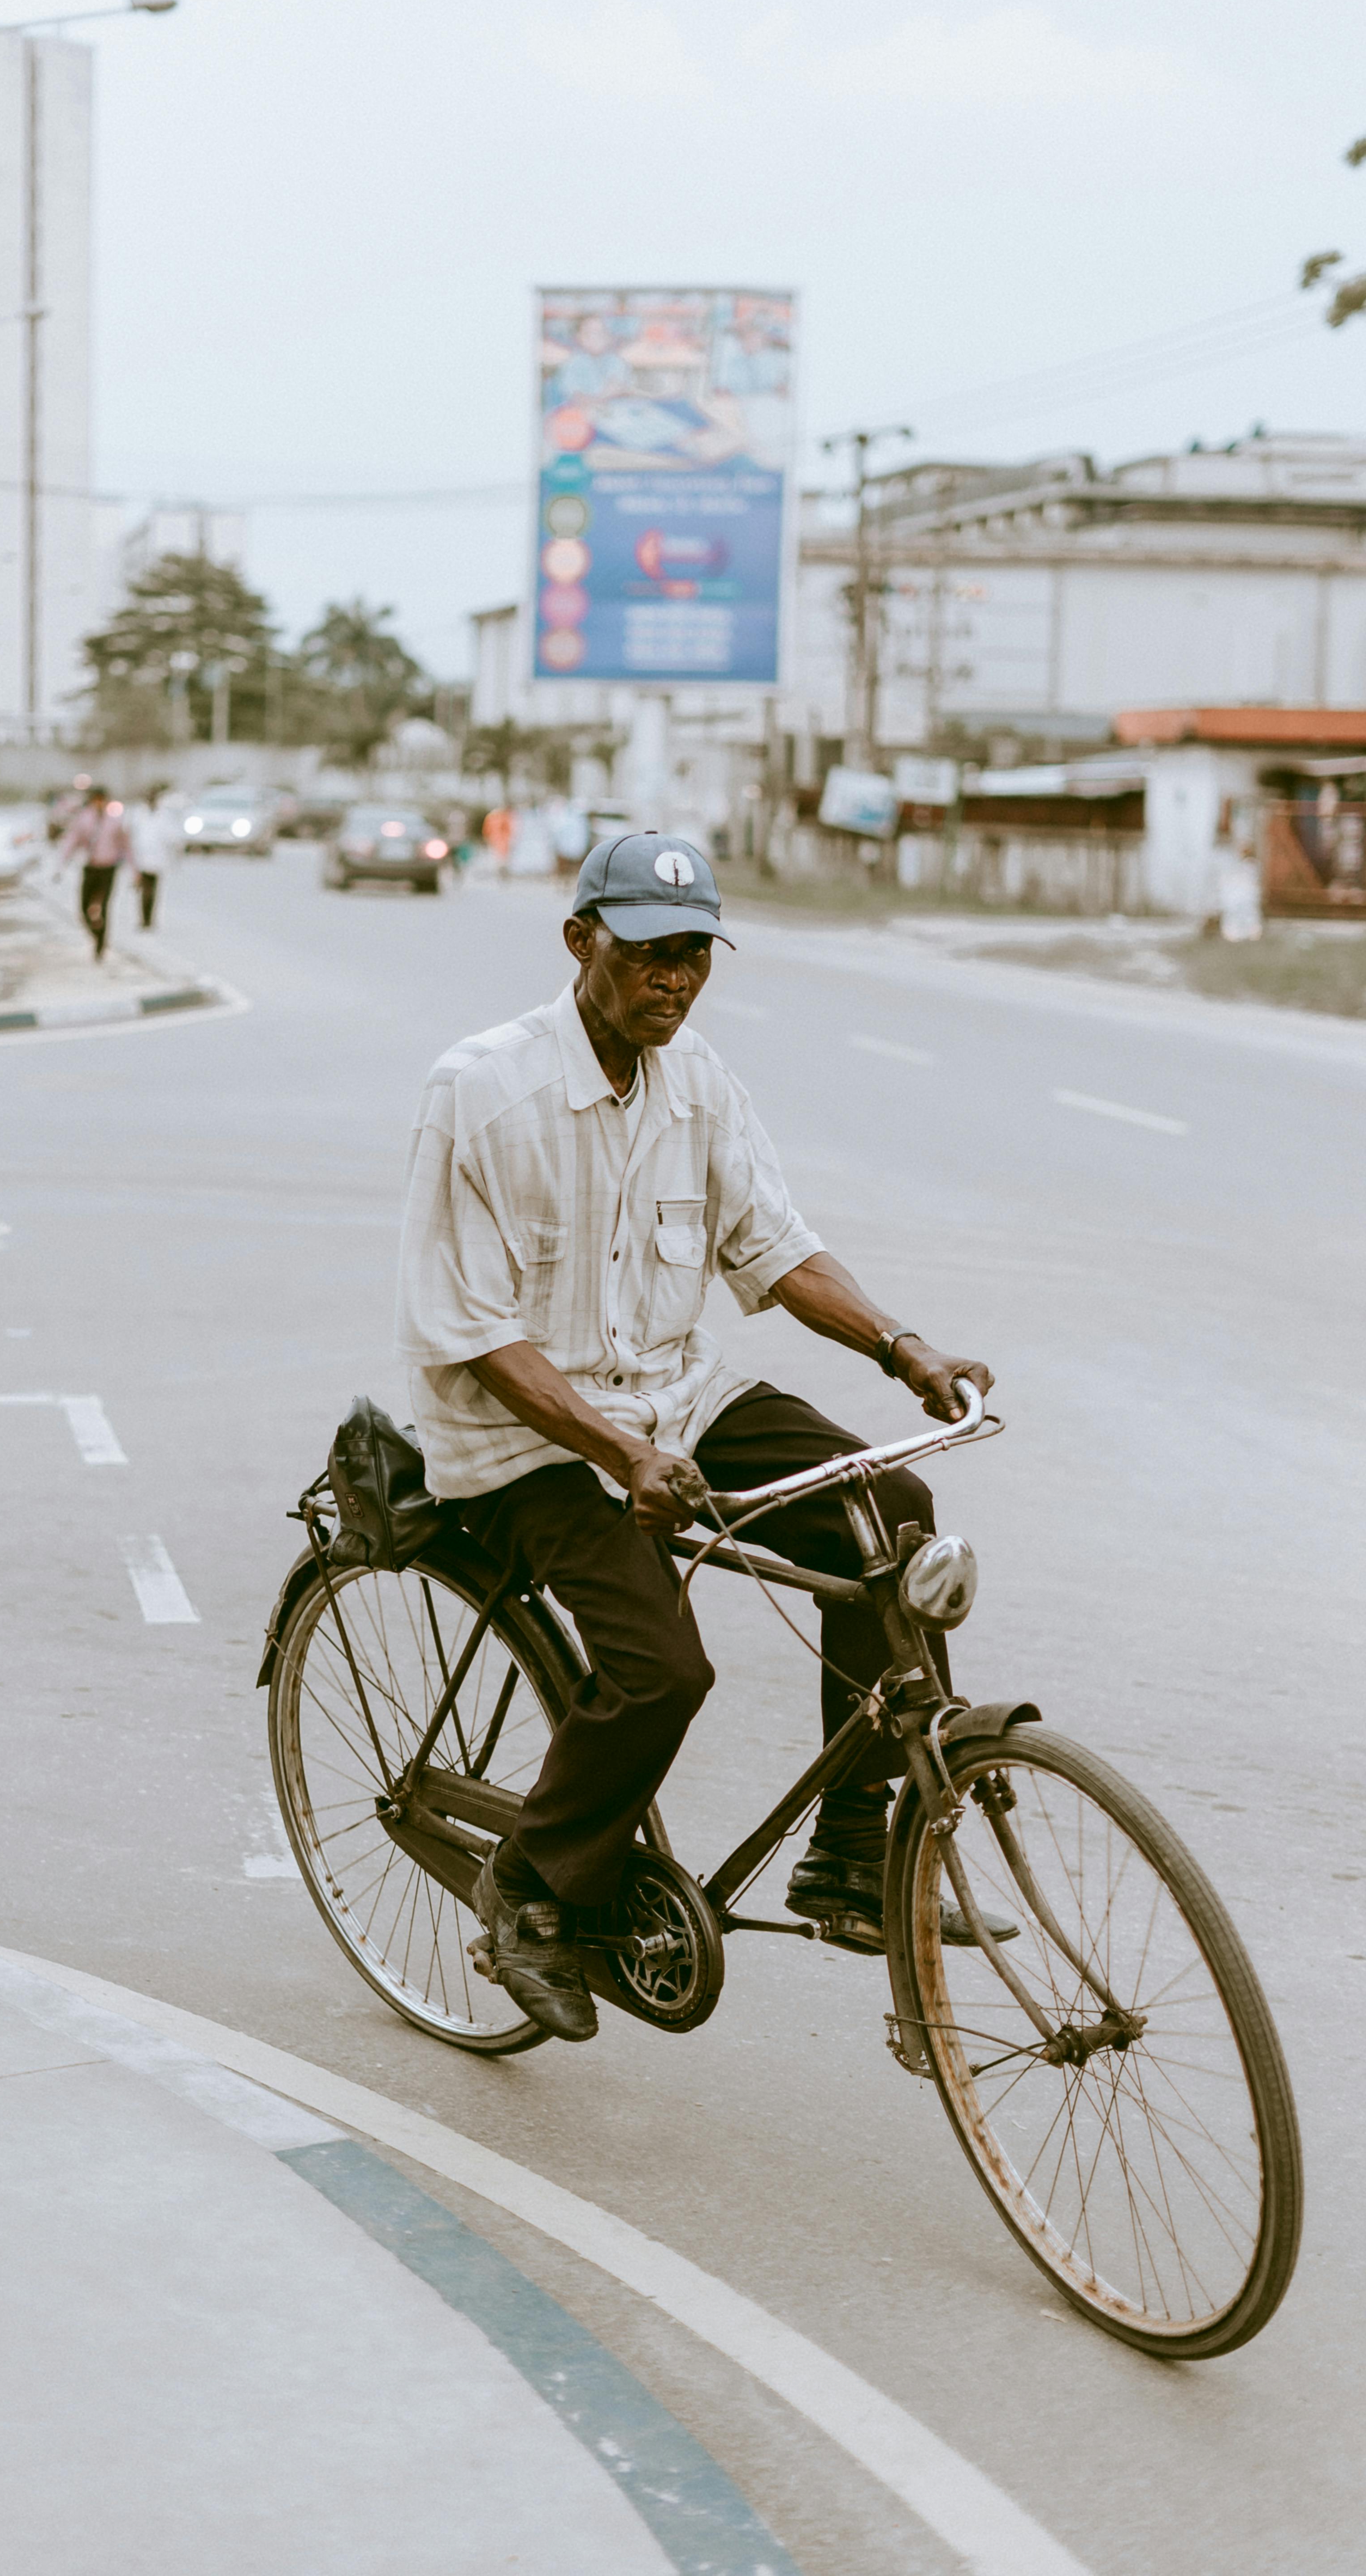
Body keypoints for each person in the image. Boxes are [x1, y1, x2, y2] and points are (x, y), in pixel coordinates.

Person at [395, 833, 994, 2044]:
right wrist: (621, 1458)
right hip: (531, 1438)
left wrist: (904, 1347)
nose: (674, 980)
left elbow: (773, 1247)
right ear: (582, 944)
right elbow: (471, 1331)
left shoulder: (700, 1083)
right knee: (664, 1671)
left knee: (889, 1511)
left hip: (679, 1401)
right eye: (650, 954)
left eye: (695, 957)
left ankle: (844, 1852)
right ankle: (530, 1891)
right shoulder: (485, 1088)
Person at [56, 781, 134, 962]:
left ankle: (101, 945)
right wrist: (61, 865)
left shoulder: (115, 821)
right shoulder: (83, 819)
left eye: (102, 800)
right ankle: (96, 933)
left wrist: (134, 870)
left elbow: (126, 846)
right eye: (96, 800)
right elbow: (72, 842)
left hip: (108, 869)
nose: (99, 804)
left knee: (104, 907)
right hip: (91, 868)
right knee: (84, 908)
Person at [130, 783, 177, 930]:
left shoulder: (165, 815)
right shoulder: (139, 814)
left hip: (157, 859)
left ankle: (149, 919)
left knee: (152, 891)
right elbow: (132, 834)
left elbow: (172, 837)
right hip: (141, 858)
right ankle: (145, 919)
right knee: (145, 890)